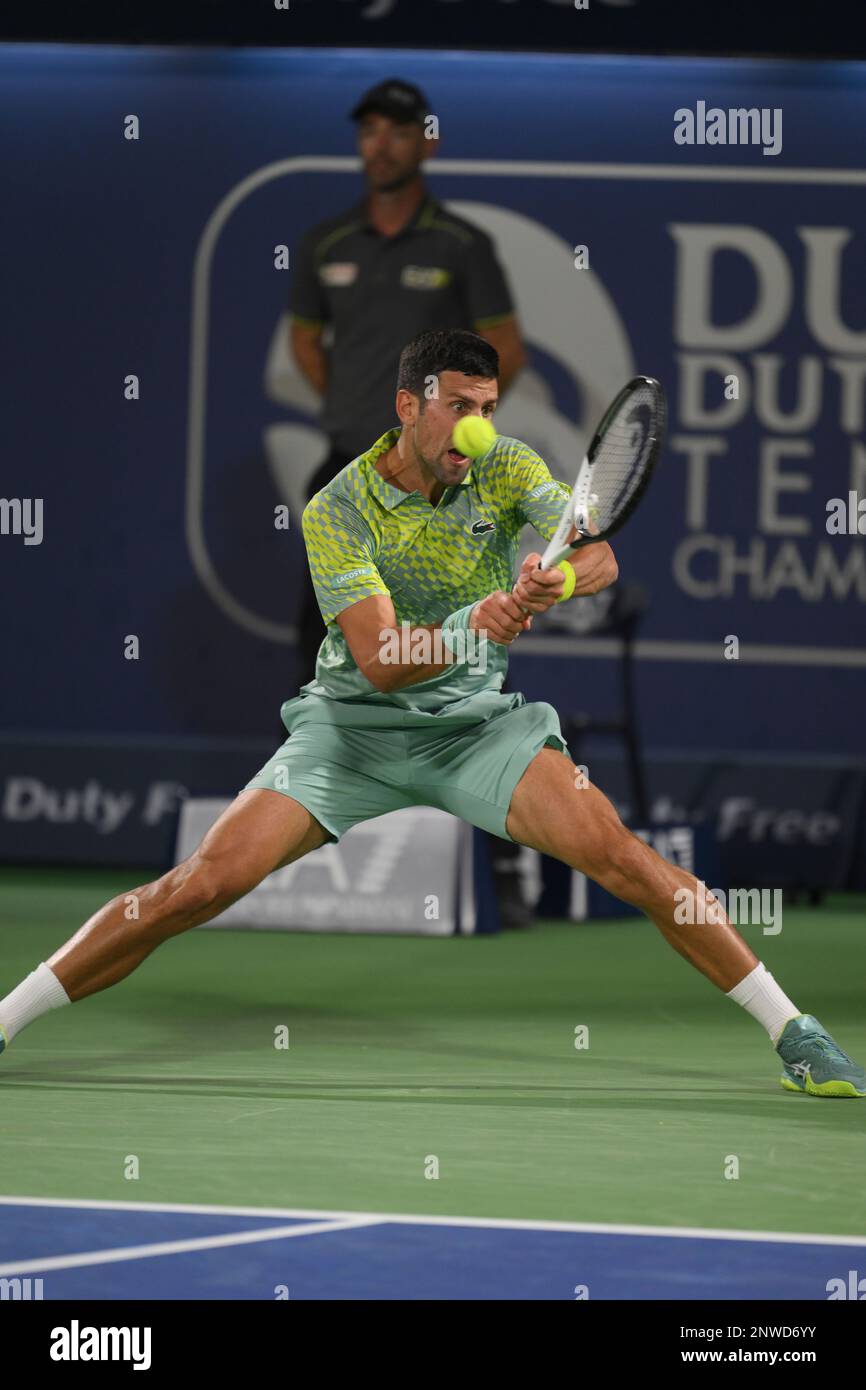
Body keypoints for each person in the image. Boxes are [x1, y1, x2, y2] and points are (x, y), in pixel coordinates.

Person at [1, 330, 862, 1101]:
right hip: (351, 732)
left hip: (476, 729)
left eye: (487, 408)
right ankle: (7, 1020)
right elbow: (379, 660)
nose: (475, 427)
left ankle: (794, 1031)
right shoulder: (337, 509)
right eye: (458, 407)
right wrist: (476, 620)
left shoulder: (506, 466)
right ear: (409, 407)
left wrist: (557, 579)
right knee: (198, 886)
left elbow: (598, 553)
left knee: (622, 857)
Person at [290, 77, 526, 685]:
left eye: (399, 132)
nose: (381, 145)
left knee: (440, 634)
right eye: (370, 131)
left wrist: (449, 427)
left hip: (434, 482)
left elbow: (505, 348)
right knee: (327, 643)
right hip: (350, 465)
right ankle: (321, 743)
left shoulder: (463, 246)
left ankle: (449, 737)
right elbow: (304, 340)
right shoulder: (326, 243)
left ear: (429, 144)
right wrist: (353, 406)